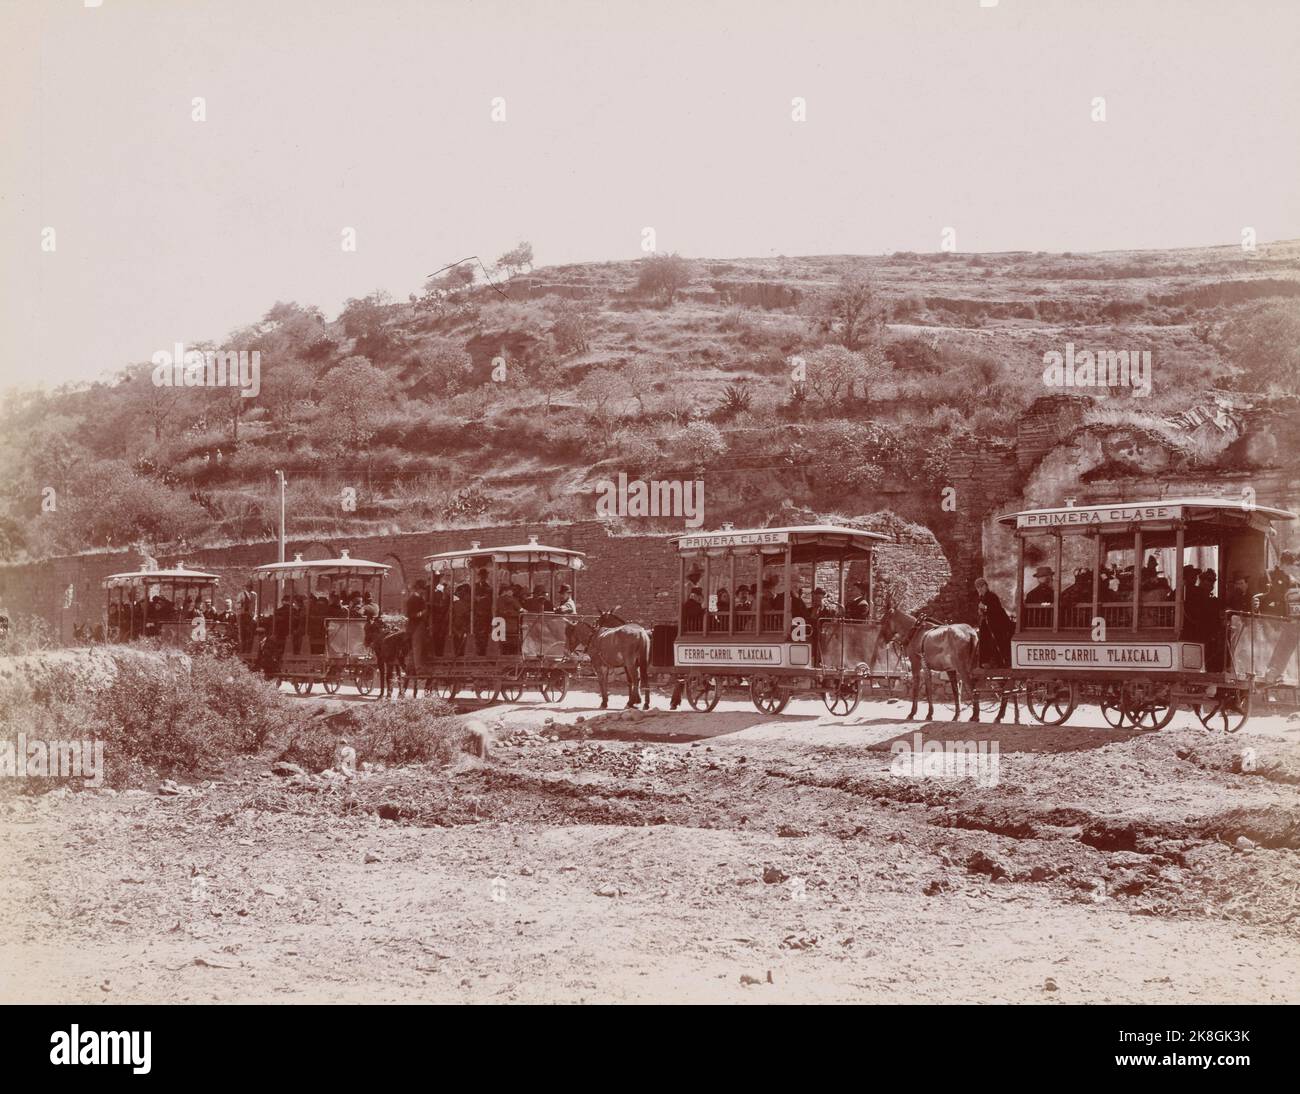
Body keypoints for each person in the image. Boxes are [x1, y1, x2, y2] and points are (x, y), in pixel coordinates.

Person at [974, 577, 1013, 668]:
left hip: (998, 623)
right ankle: (986, 662)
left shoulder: (992, 596)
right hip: (988, 623)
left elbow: (996, 609)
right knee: (984, 639)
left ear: (986, 586)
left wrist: (985, 608)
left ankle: (1000, 662)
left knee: (997, 641)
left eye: (982, 586)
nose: (980, 589)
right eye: (978, 588)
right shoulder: (981, 597)